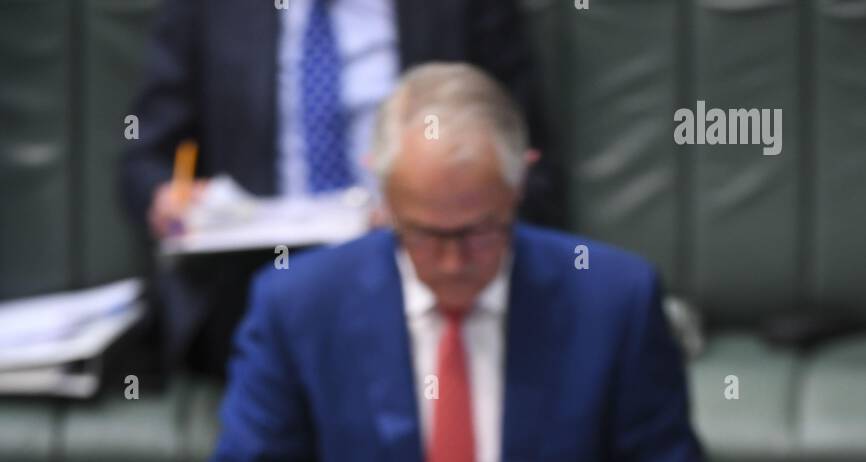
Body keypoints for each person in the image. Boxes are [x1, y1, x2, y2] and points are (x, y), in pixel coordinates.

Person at [192, 63, 711, 462]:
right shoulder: (300, 302)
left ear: (520, 183)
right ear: (384, 195)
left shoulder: (612, 296)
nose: (452, 262)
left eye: (479, 231)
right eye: (423, 234)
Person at [120, 0, 560, 372]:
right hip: (253, 276)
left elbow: (525, 159)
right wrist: (165, 197)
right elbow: (144, 154)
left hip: (412, 257)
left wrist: (425, 211)